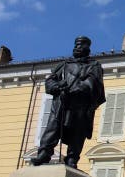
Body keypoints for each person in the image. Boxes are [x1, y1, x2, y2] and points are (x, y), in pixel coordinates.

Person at [31, 36, 106, 169]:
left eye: (81, 45)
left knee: (77, 133)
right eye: (76, 45)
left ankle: (72, 158)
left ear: (87, 48)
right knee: (52, 129)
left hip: (80, 105)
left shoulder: (94, 66)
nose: (77, 47)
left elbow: (93, 83)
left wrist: (76, 89)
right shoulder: (64, 65)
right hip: (61, 103)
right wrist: (58, 86)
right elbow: (50, 81)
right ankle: (44, 153)